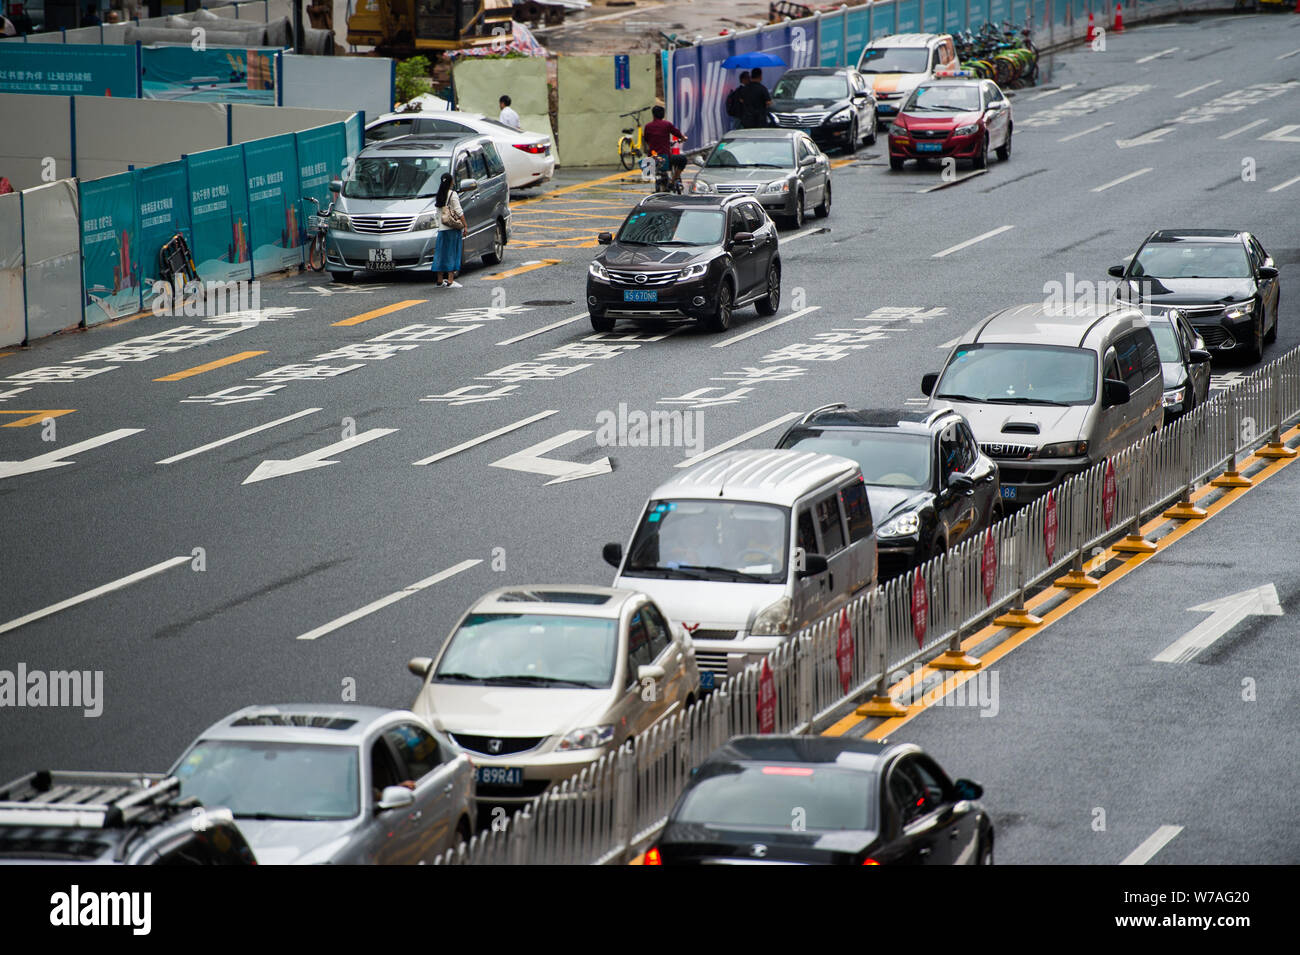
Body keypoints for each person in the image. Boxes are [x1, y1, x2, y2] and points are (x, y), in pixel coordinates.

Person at [430, 173, 467, 288]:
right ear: (451, 182)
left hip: (442, 229)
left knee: (441, 254)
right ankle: (450, 280)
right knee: (452, 253)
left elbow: (437, 213)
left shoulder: (439, 195)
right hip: (452, 228)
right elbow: (459, 211)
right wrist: (465, 225)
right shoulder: (452, 194)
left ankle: (440, 279)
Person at [642, 105, 686, 188]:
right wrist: (683, 138)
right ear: (663, 115)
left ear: (653, 115)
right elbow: (678, 134)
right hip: (666, 158)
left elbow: (647, 139)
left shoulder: (648, 126)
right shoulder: (667, 124)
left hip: (653, 158)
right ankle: (673, 181)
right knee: (683, 159)